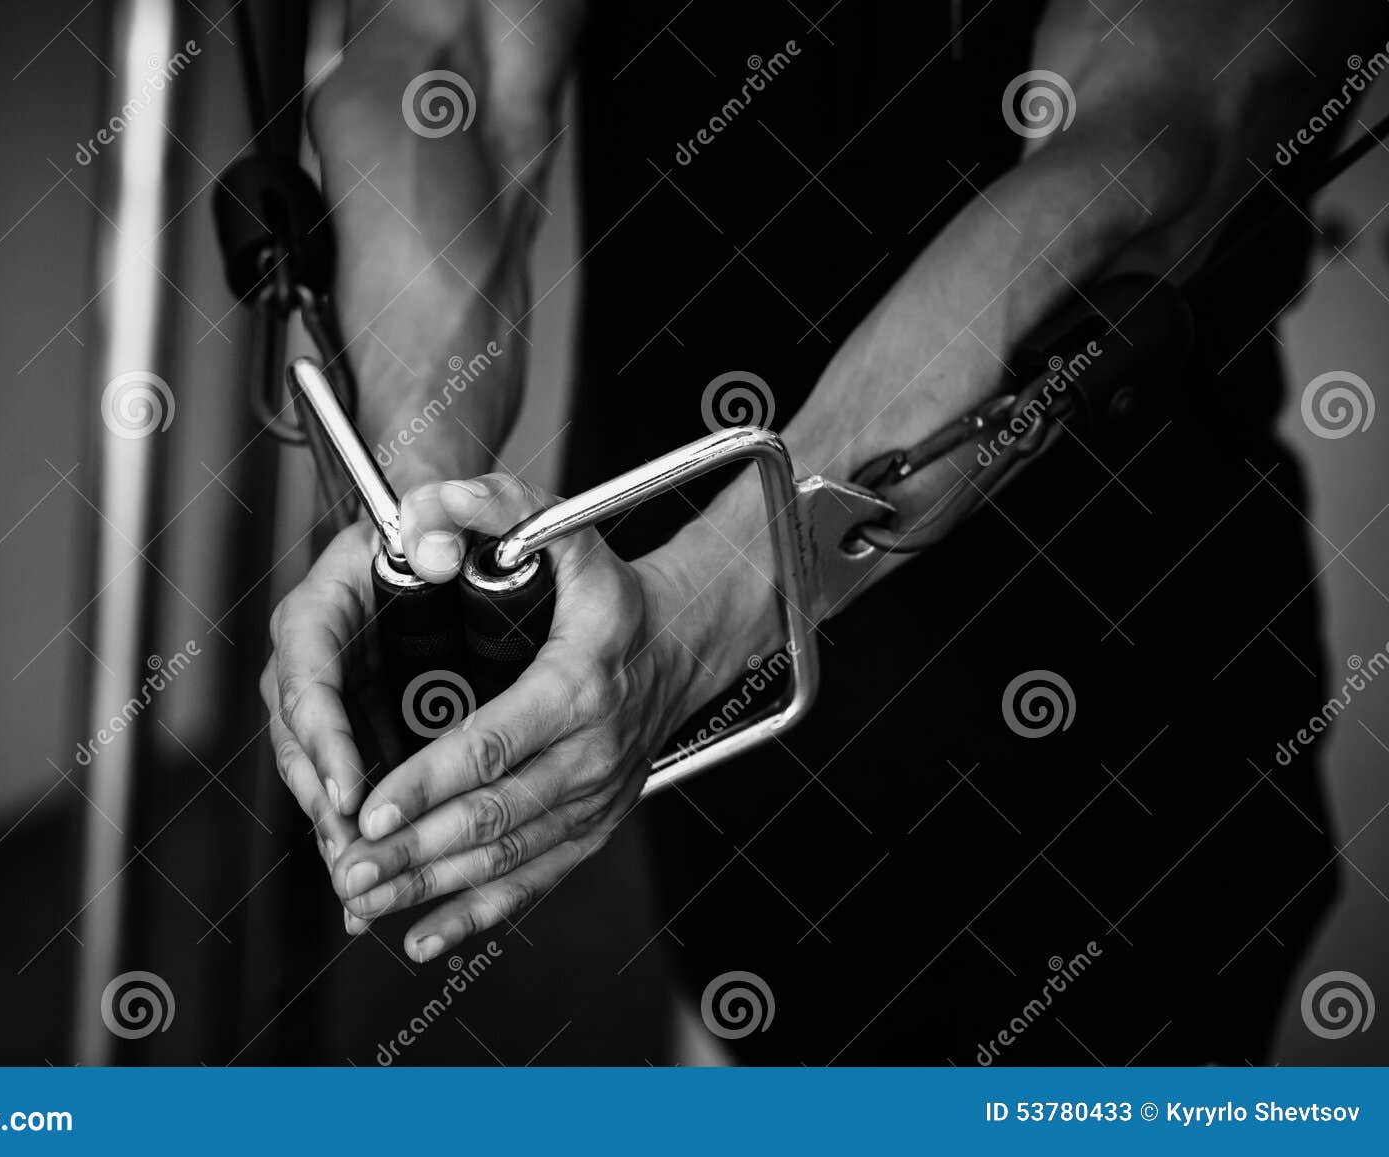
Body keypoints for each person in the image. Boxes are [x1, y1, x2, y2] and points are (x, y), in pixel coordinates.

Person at [264, 0, 1377, 1063]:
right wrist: (415, 512)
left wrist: (698, 612)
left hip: (1122, 737)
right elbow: (448, 60)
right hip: (731, 794)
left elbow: (1153, 140)